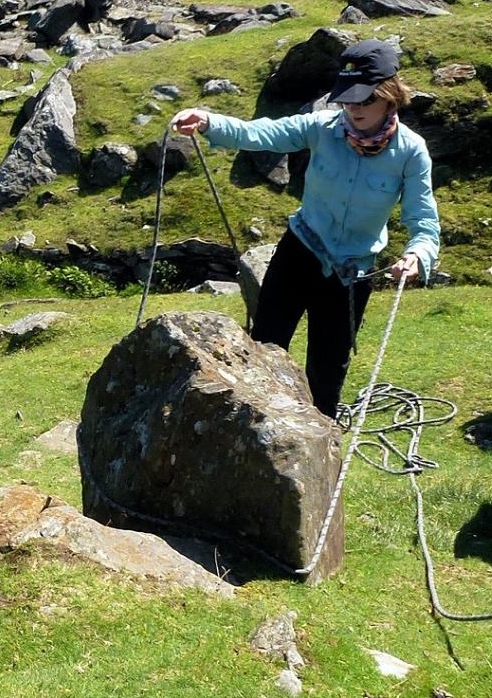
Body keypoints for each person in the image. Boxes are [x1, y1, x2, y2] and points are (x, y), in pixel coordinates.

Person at [170, 38, 440, 419]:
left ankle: (321, 455)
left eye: (364, 100)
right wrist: (209, 121)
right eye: (347, 99)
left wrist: (417, 256)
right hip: (299, 254)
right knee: (264, 347)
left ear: (389, 96)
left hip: (352, 274)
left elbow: (424, 221)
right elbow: (259, 134)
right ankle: (246, 435)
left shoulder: (412, 152)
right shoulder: (320, 127)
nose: (353, 110)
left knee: (327, 373)